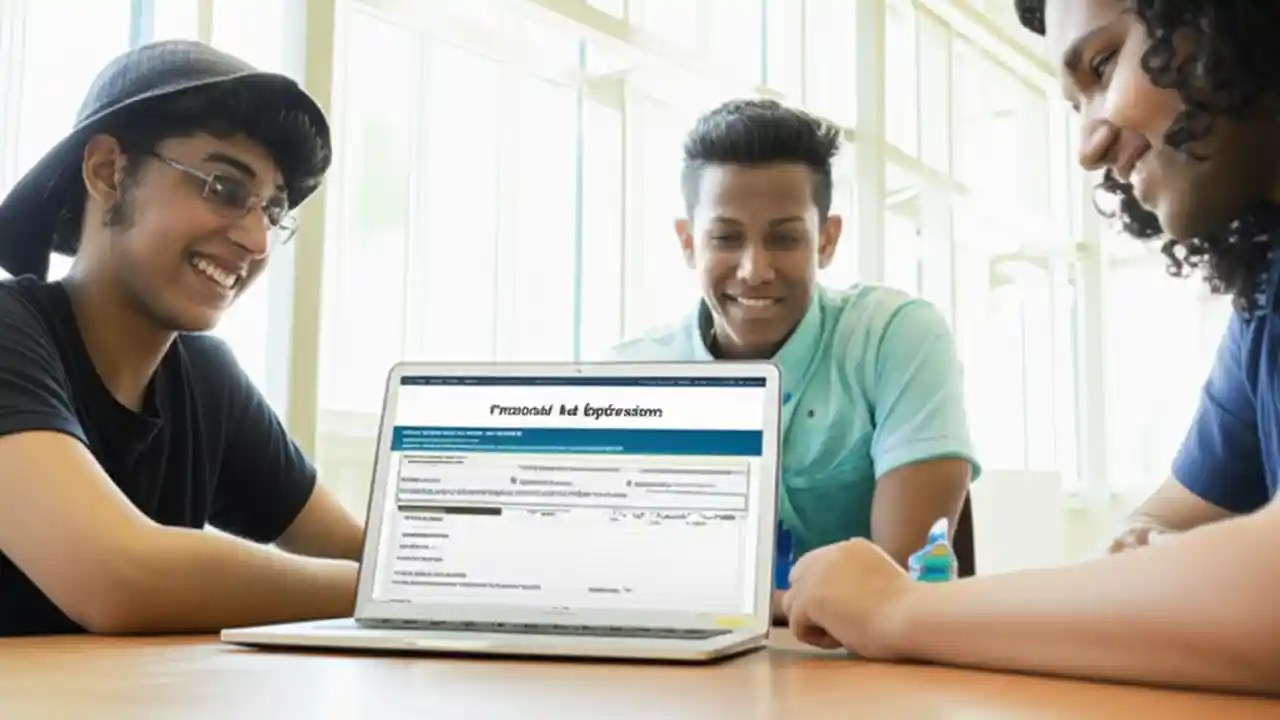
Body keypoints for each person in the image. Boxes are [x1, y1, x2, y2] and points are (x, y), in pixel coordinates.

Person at [781, 0, 1280, 696]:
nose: (1088, 149)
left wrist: (898, 610)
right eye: (1076, 103)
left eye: (1104, 64)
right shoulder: (1264, 304)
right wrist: (1139, 554)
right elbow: (1168, 517)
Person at [0, 40, 363, 636]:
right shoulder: (11, 334)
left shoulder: (204, 378)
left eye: (272, 213)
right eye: (224, 188)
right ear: (108, 172)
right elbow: (117, 578)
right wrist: (380, 595)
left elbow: (359, 550)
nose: (257, 241)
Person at [605, 98, 980, 621]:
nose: (754, 270)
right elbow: (616, 577)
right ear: (688, 243)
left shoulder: (895, 336)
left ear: (826, 240)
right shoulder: (630, 374)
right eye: (726, 238)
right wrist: (785, 604)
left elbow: (897, 585)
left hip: (860, 662)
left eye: (784, 239)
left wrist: (726, 600)